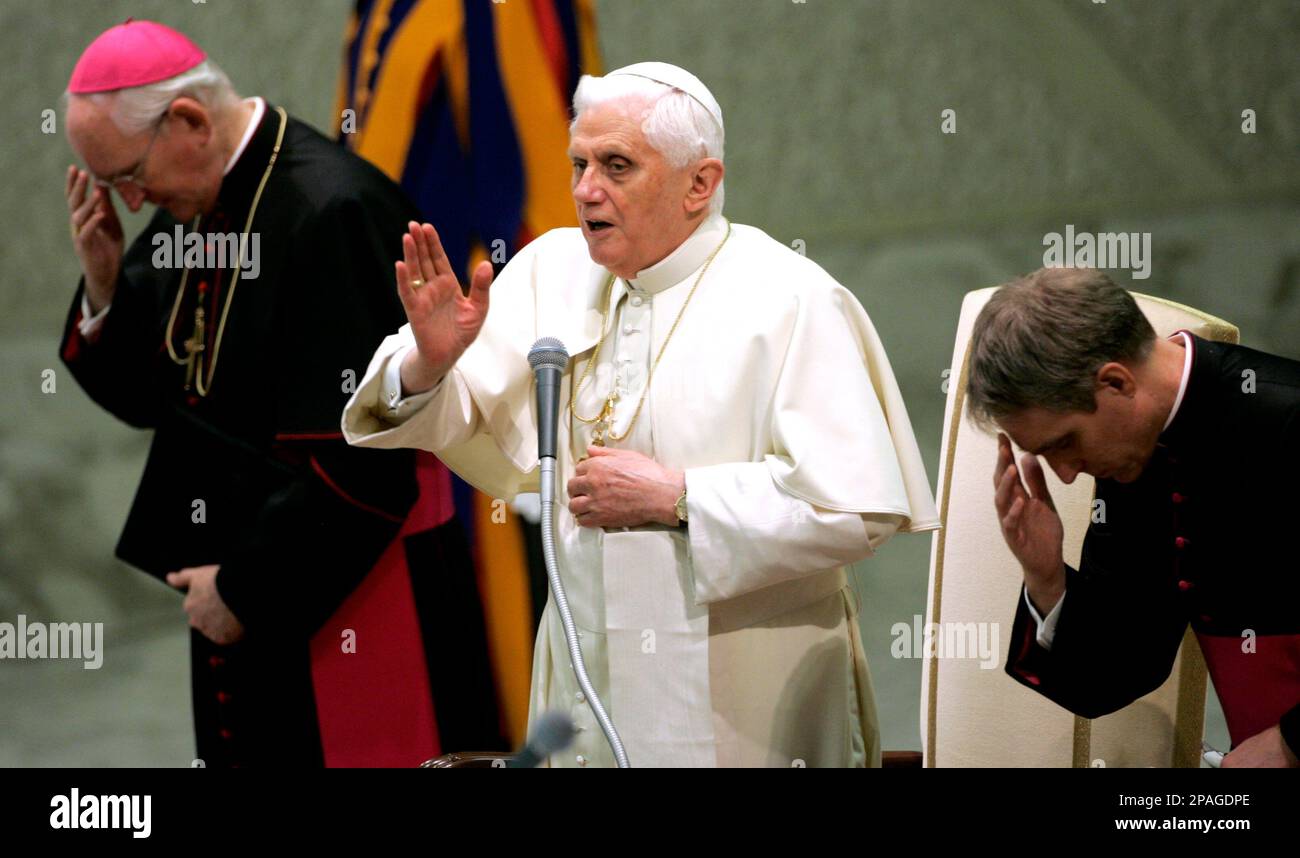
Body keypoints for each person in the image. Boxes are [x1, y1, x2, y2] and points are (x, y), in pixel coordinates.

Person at [343, 62, 939, 767]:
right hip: (588, 670)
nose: (586, 190)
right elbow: (450, 409)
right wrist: (431, 362)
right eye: (579, 163)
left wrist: (682, 498)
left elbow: (854, 509)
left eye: (616, 166)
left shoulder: (792, 298)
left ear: (701, 184)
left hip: (743, 693)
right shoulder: (551, 270)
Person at [60, 19, 501, 766]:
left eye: (128, 176)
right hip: (248, 580)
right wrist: (105, 284)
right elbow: (153, 398)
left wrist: (243, 591)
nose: (129, 203)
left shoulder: (334, 210)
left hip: (349, 587)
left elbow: (368, 462)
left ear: (189, 122)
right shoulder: (196, 205)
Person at [968, 266, 1300, 768]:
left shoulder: (1290, 416)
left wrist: (1292, 742)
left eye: (1065, 443)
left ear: (1116, 382)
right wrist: (1047, 579)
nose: (1064, 475)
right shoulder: (1137, 458)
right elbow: (1119, 669)